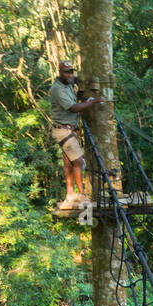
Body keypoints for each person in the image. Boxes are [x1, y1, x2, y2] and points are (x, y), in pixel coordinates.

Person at [48, 60, 104, 211]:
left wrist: (88, 82)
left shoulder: (68, 82)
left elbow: (75, 78)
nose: (70, 74)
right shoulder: (58, 89)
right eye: (67, 72)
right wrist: (94, 102)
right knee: (78, 161)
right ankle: (81, 195)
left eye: (71, 71)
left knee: (69, 162)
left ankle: (70, 194)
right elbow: (73, 108)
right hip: (64, 131)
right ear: (59, 71)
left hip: (70, 130)